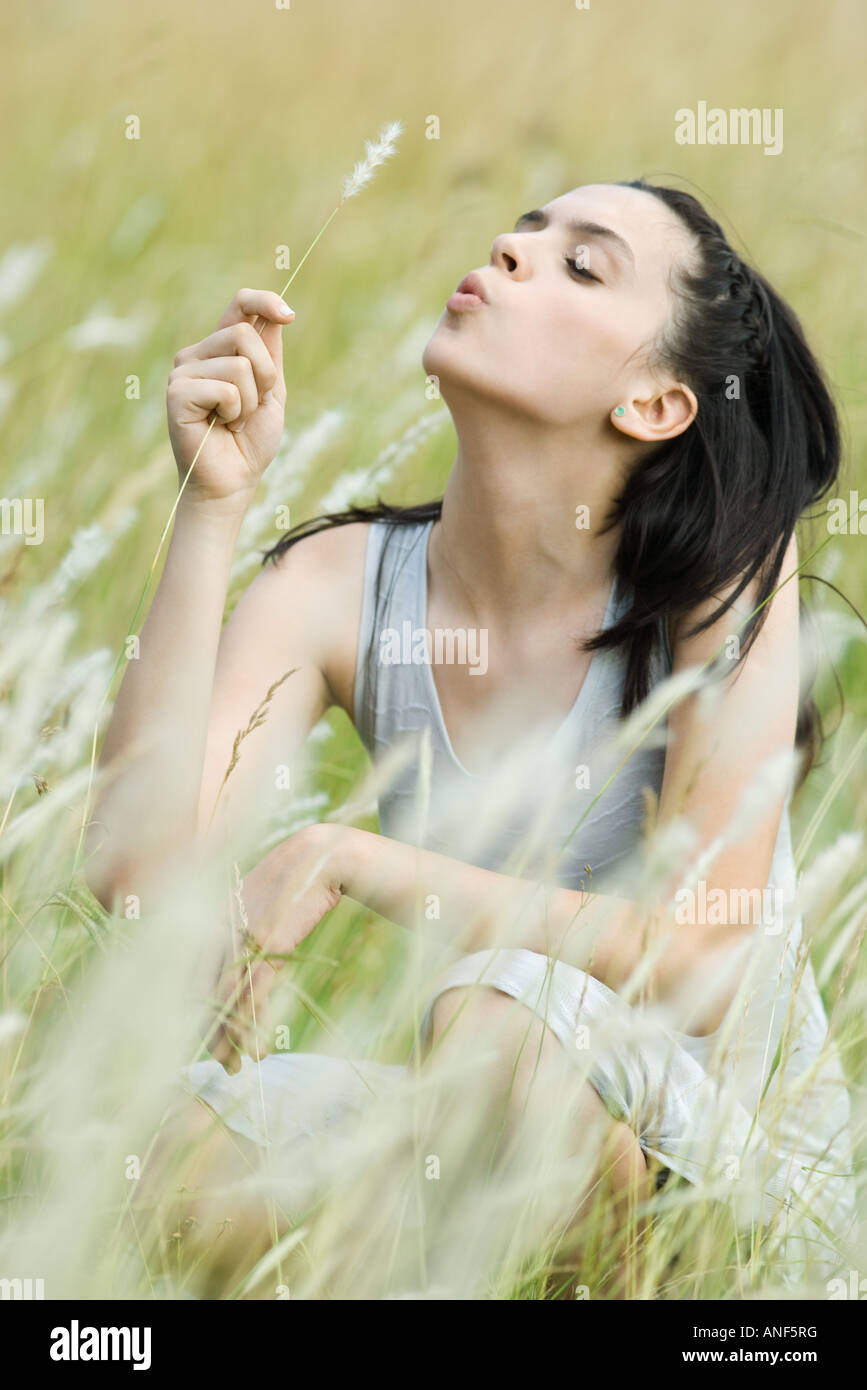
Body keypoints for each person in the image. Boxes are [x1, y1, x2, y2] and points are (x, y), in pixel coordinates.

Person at [86, 179, 857, 1298]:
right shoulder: (340, 583)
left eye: (581, 265)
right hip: (480, 1127)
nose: (510, 247)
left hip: (726, 1179)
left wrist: (345, 856)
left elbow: (703, 959)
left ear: (654, 402)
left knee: (497, 1006)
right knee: (179, 1160)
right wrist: (208, 508)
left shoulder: (723, 573)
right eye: (525, 230)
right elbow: (132, 874)